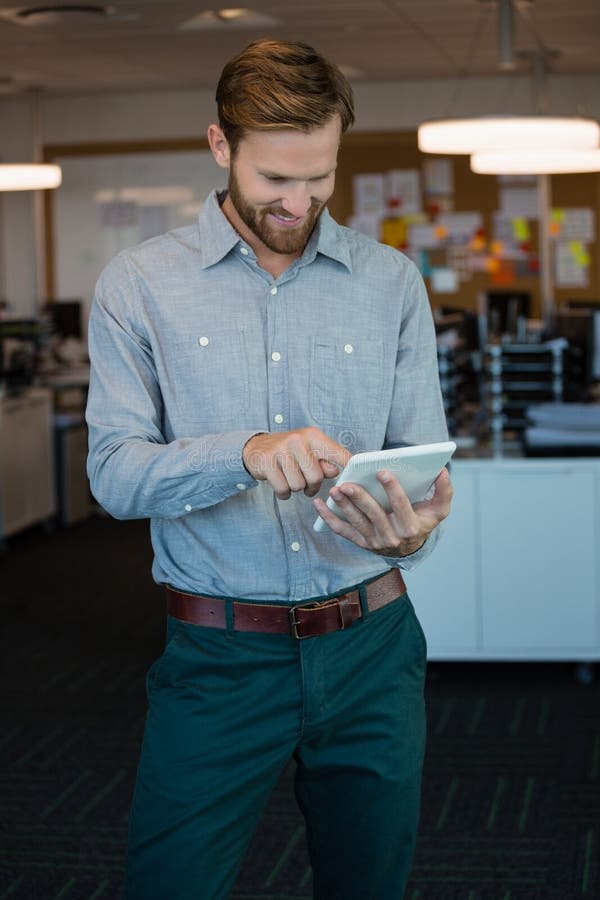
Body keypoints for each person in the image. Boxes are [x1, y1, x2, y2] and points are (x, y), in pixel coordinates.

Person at [86, 38, 453, 900]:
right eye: (275, 180)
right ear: (221, 147)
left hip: (373, 647)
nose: (300, 202)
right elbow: (111, 472)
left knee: (370, 885)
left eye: (319, 178)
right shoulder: (138, 286)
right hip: (219, 657)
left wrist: (418, 531)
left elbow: (427, 475)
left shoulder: (391, 282)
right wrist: (242, 452)